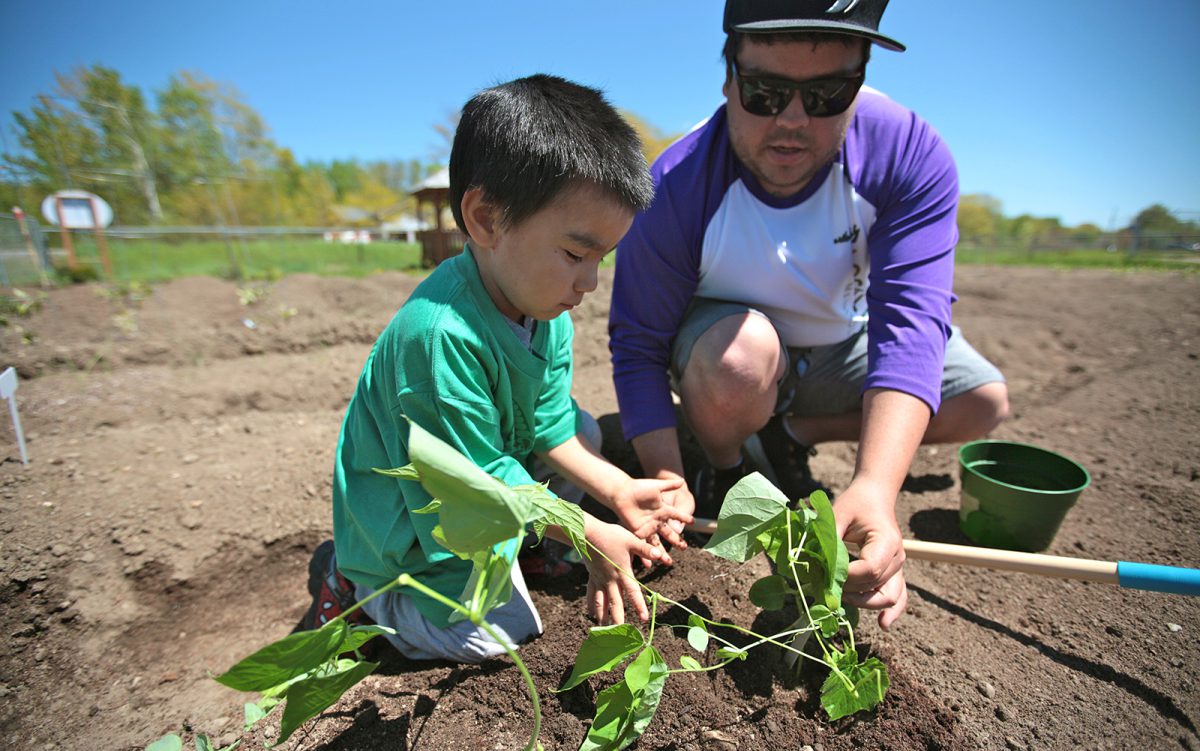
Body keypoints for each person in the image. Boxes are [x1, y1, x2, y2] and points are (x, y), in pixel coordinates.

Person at [609, 0, 1009, 630]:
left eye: (826, 94)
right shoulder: (678, 182)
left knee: (983, 401)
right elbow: (636, 344)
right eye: (765, 92)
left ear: (860, 81)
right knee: (739, 364)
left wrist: (876, 485)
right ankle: (726, 464)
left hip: (841, 341)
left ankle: (790, 436)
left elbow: (911, 322)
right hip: (733, 348)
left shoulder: (908, 152)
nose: (792, 121)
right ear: (729, 78)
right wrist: (665, 476)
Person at [304, 74, 692, 664]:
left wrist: (618, 490)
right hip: (414, 535)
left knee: (583, 432)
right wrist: (588, 535)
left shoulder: (546, 304)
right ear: (486, 219)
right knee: (499, 638)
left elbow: (548, 422)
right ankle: (355, 591)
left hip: (480, 482)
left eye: (601, 259)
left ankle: (528, 549)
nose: (589, 282)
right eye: (574, 253)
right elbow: (480, 484)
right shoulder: (437, 337)